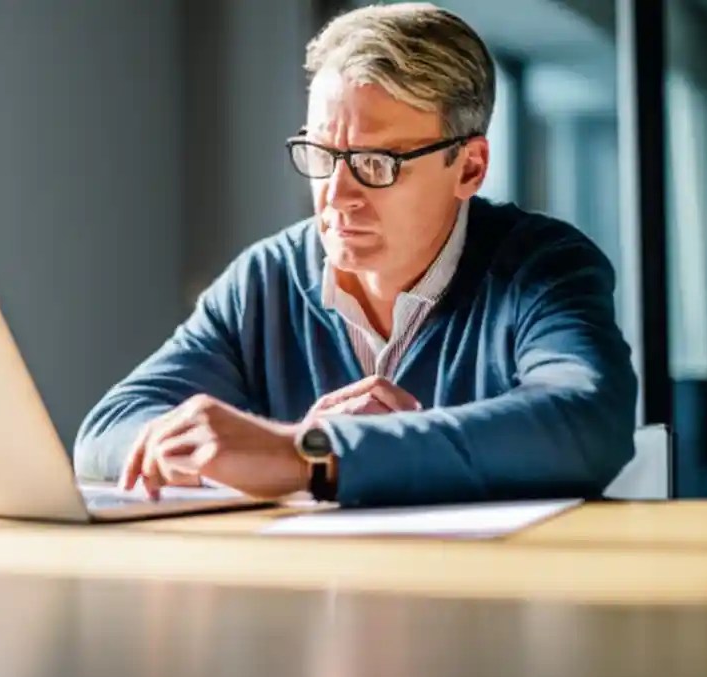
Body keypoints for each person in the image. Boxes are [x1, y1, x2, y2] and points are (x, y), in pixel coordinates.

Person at [73, 2, 637, 507]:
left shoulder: (541, 266)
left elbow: (587, 419)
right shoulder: (266, 278)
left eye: (376, 163)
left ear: (469, 167)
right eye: (321, 153)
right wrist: (259, 450)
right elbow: (108, 430)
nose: (336, 196)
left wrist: (310, 454)